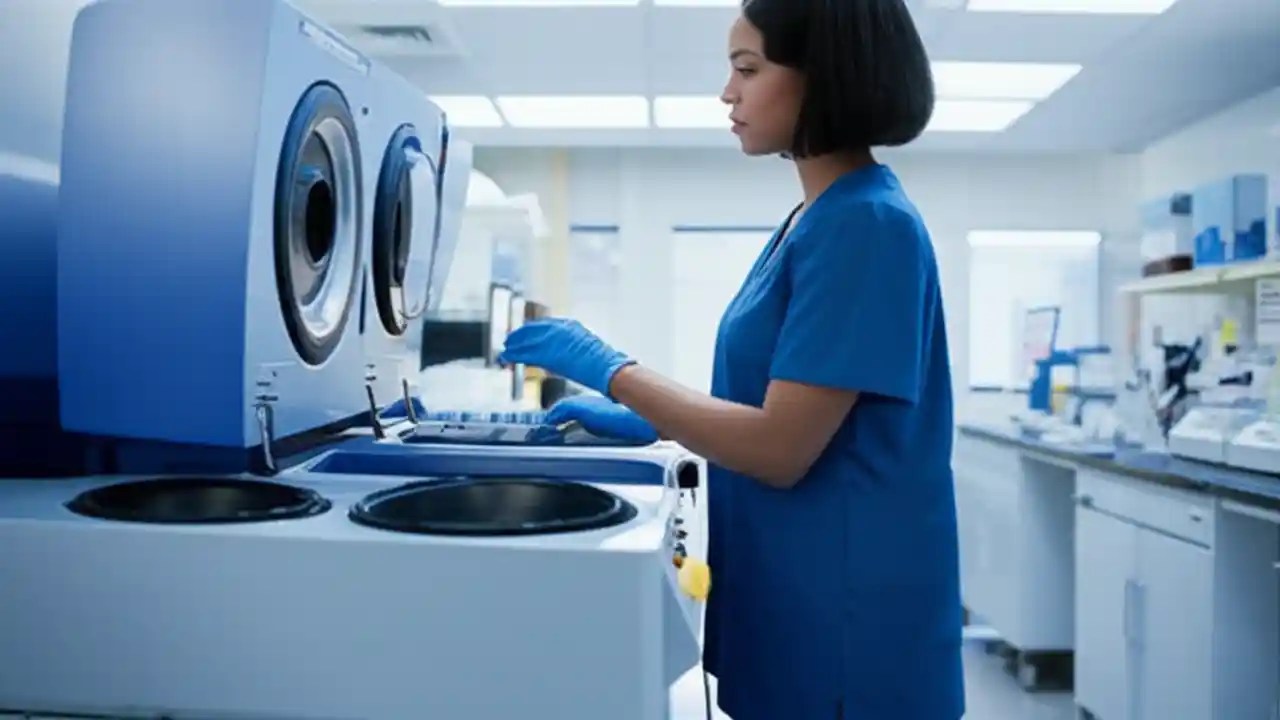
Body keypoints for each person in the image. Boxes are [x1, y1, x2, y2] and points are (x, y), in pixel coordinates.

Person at [497, 0, 963, 717]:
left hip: (846, 632)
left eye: (748, 69)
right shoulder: (818, 218)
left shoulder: (865, 224)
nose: (727, 93)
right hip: (796, 603)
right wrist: (656, 421)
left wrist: (614, 370)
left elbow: (782, 449)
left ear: (826, 76)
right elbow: (787, 411)